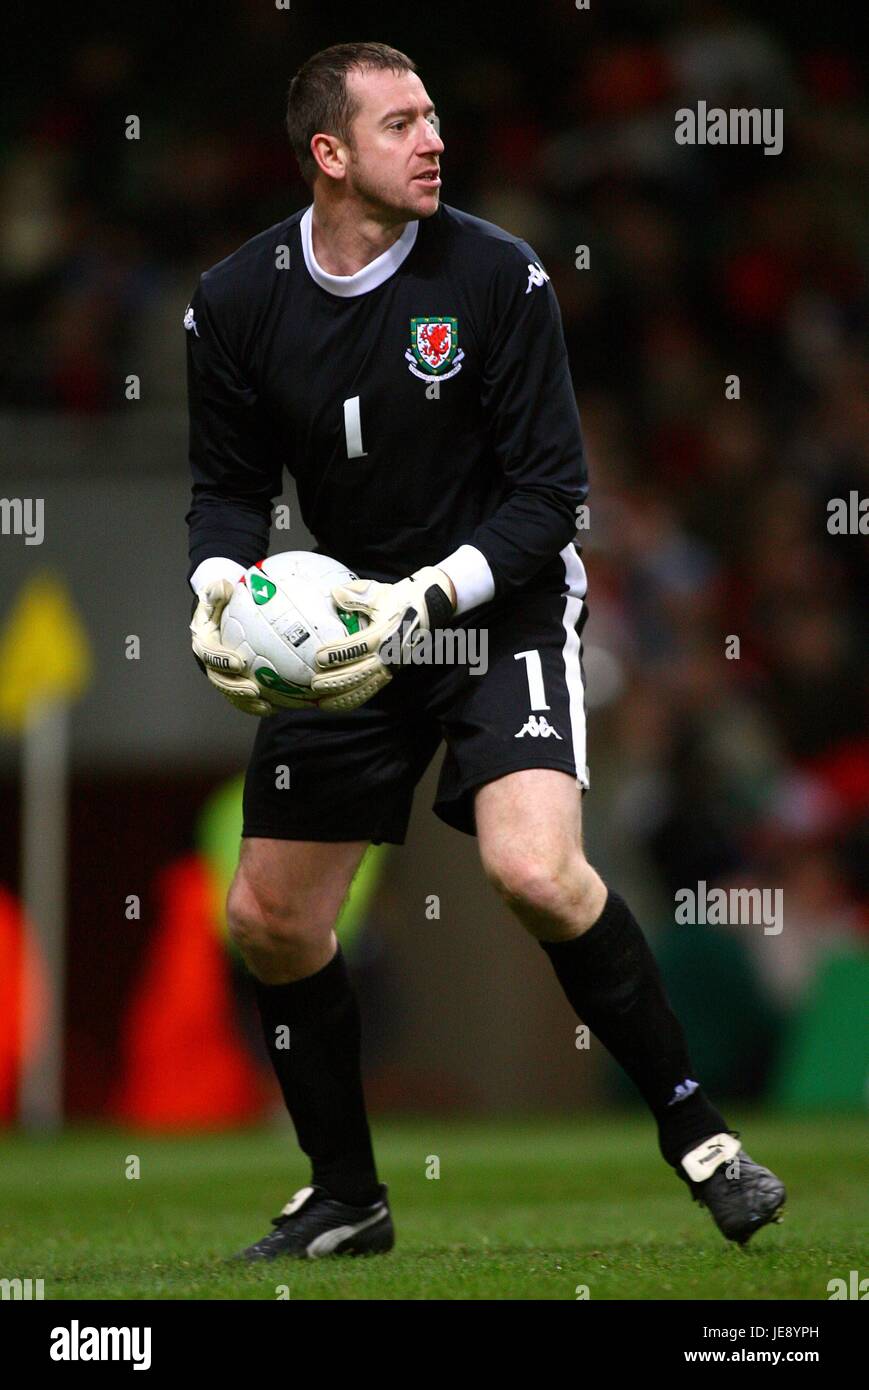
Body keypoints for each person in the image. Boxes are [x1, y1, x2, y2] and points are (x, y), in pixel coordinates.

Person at [186, 41, 785, 1261]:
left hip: (494, 605)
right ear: (329, 153)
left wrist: (428, 595)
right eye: (400, 123)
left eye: (434, 117)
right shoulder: (236, 302)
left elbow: (550, 496)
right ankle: (346, 1198)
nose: (432, 140)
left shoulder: (497, 276)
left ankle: (702, 1138)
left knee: (534, 873)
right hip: (352, 625)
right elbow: (227, 492)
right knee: (267, 920)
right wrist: (215, 582)